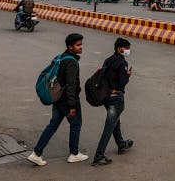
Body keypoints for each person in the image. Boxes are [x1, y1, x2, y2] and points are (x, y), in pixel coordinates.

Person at [28, 33, 88, 166]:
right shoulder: (71, 62)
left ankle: (36, 153)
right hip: (67, 100)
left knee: (53, 125)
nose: (81, 47)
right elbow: (71, 86)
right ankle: (74, 153)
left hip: (58, 98)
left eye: (81, 44)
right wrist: (72, 106)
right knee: (76, 124)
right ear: (70, 46)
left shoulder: (62, 57)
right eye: (78, 45)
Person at [93, 38, 134, 166]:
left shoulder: (108, 60)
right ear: (119, 48)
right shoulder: (122, 63)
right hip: (116, 97)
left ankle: (121, 144)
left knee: (115, 121)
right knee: (110, 125)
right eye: (126, 48)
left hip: (106, 96)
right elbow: (122, 81)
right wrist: (127, 75)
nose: (128, 50)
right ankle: (99, 156)